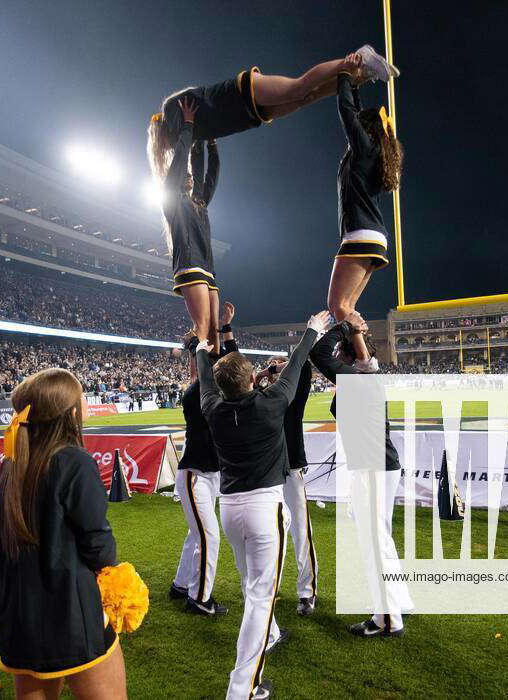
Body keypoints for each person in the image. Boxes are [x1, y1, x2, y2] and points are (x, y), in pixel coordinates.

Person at [197, 310, 328, 700]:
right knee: (260, 596)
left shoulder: (212, 408)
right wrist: (311, 331)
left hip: (230, 508)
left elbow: (205, 379)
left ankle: (269, 634)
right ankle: (243, 688)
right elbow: (297, 364)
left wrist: (203, 351)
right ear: (253, 380)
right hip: (263, 509)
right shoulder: (271, 404)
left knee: (248, 583)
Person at [0, 368, 127, 699]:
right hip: (69, 615)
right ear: (71, 412)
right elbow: (98, 546)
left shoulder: (12, 462)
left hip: (18, 615)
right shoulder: (74, 461)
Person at [309, 311, 412, 638]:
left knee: (374, 540)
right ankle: (398, 602)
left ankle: (387, 618)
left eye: (341, 353)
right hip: (380, 465)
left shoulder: (355, 378)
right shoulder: (367, 376)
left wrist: (341, 326)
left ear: (348, 356)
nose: (335, 358)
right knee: (379, 535)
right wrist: (350, 330)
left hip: (373, 467)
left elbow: (318, 353)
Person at [147, 46, 396, 157]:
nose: (169, 150)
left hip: (241, 92)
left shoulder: (170, 112)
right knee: (306, 98)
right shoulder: (186, 133)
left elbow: (187, 130)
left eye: (165, 148)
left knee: (299, 87)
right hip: (248, 115)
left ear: (160, 137)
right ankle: (357, 76)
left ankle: (357, 59)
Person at [327, 59, 404, 368]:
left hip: (359, 235)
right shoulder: (373, 154)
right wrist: (357, 85)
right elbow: (355, 114)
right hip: (374, 238)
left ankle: (365, 362)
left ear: (365, 131)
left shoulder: (364, 150)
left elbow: (347, 114)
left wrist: (345, 76)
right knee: (348, 306)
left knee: (337, 305)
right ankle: (361, 359)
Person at [170, 301, 237, 616]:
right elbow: (223, 368)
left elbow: (231, 365)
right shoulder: (198, 392)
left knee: (196, 533)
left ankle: (181, 584)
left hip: (206, 475)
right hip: (197, 474)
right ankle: (199, 598)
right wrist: (206, 341)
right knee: (208, 536)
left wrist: (224, 329)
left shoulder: (208, 388)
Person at [156, 96, 223, 353]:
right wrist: (188, 125)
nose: (189, 176)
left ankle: (215, 383)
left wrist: (211, 143)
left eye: (191, 176)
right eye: (185, 174)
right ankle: (197, 383)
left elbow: (211, 174)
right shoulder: (171, 197)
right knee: (203, 328)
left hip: (208, 268)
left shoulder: (199, 202)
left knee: (214, 329)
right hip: (190, 265)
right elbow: (182, 156)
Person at [256, 355, 319, 616]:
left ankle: (307, 593)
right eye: (274, 365)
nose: (278, 367)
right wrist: (262, 375)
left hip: (291, 471)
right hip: (266, 475)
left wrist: (273, 368)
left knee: (301, 533)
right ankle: (269, 589)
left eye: (282, 363)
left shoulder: (293, 399)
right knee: (268, 534)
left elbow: (303, 365)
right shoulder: (259, 399)